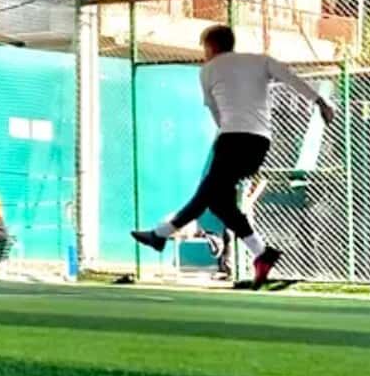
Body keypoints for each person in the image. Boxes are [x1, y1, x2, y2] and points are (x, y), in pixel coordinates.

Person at [131, 24, 335, 289]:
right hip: (259, 142)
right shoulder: (261, 61)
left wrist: (223, 134)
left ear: (211, 47)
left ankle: (161, 234)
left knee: (206, 193)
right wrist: (320, 101)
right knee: (218, 203)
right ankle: (262, 254)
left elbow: (215, 111)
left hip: (231, 138)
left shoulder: (208, 70)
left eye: (204, 48)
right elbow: (291, 78)